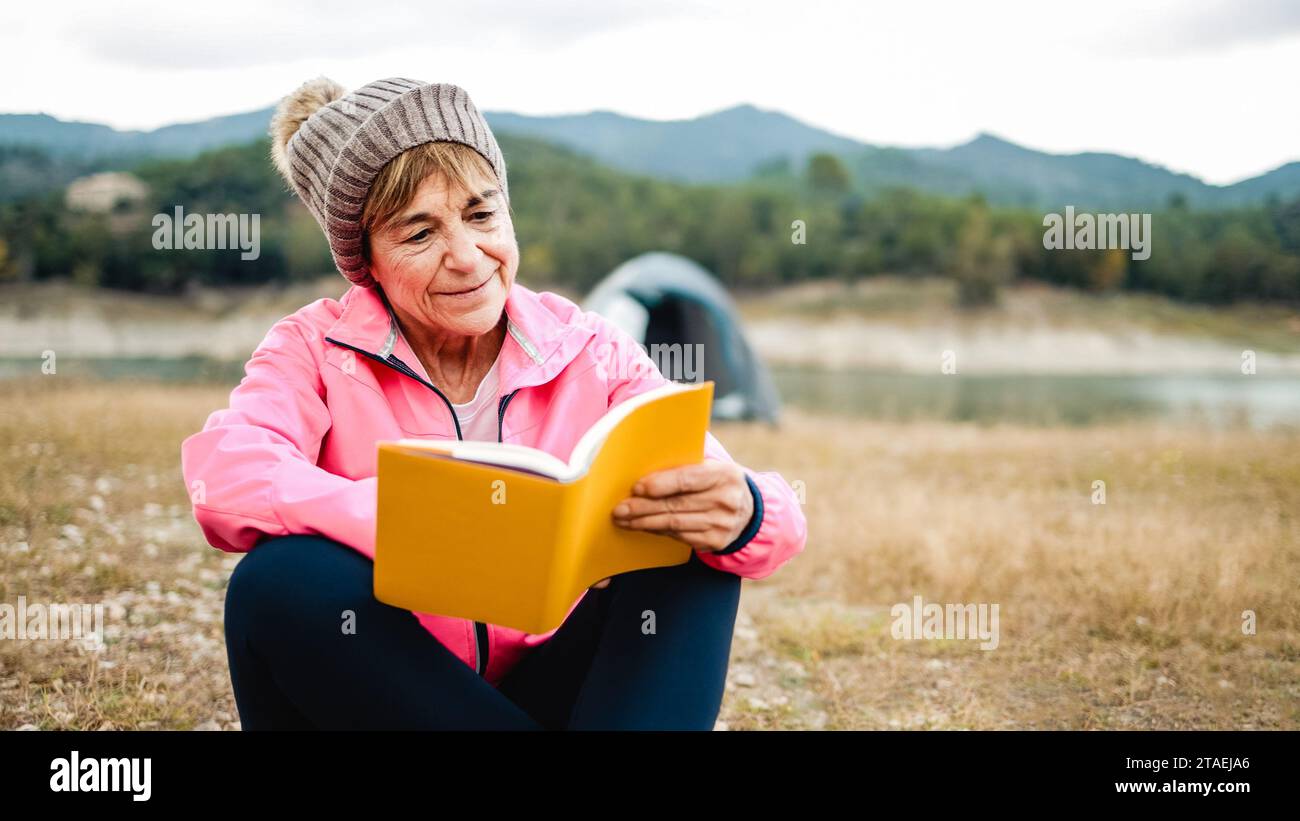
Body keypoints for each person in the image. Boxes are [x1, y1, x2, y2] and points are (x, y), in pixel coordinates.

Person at [180, 76, 808, 730]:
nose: (466, 256)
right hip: (397, 694)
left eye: (481, 215)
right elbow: (224, 475)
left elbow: (762, 512)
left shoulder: (586, 345)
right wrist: (405, 517)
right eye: (419, 234)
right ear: (365, 260)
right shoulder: (312, 347)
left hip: (550, 692)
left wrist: (748, 509)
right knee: (279, 580)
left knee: (689, 541)